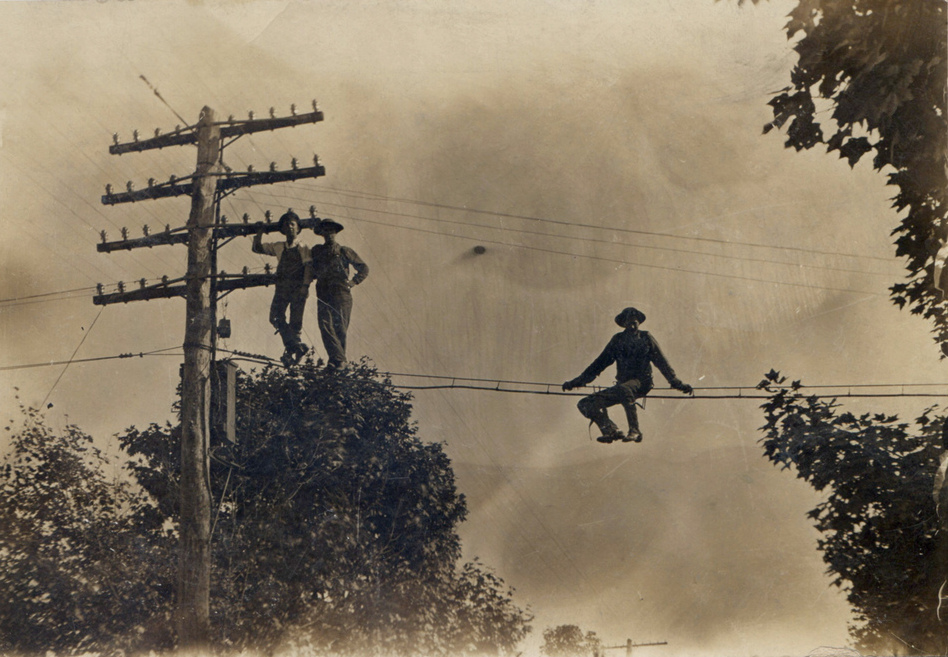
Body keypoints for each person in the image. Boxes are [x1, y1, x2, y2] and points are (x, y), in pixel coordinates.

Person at [562, 307, 693, 443]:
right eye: (628, 323)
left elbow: (662, 362)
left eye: (634, 323)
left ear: (639, 323)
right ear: (623, 324)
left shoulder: (645, 338)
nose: (631, 326)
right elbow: (598, 364)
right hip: (622, 387)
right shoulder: (617, 340)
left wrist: (676, 383)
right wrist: (576, 382)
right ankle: (611, 430)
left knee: (624, 388)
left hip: (642, 383)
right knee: (585, 404)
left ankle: (635, 430)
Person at [253, 210, 312, 367]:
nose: (290, 228)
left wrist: (305, 287)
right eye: (286, 225)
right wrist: (259, 231)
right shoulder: (279, 246)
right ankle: (294, 346)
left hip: (298, 287)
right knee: (275, 317)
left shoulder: (303, 246)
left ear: (298, 228)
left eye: (293, 224)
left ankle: (294, 348)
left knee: (295, 321)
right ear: (283, 229)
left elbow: (308, 267)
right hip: (282, 287)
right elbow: (257, 248)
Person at [309, 218, 369, 369]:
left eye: (331, 230)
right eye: (325, 230)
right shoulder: (316, 251)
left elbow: (364, 268)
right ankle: (338, 359)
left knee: (340, 327)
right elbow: (311, 270)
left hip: (341, 293)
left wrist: (353, 282)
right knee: (325, 325)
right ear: (321, 233)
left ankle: (337, 361)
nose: (328, 234)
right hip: (323, 291)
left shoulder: (344, 251)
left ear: (335, 232)